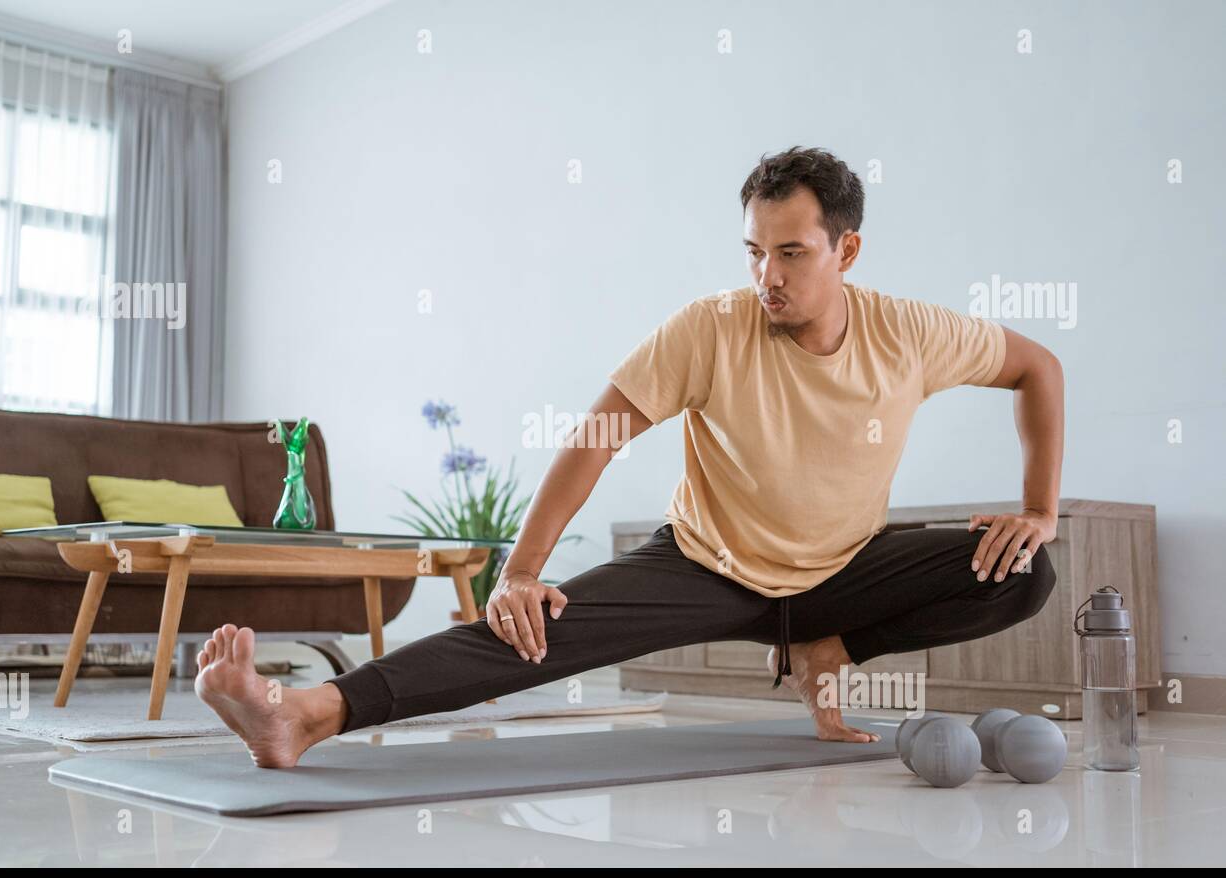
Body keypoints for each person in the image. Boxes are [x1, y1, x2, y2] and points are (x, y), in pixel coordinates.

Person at [196, 146, 1064, 768]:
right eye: (755, 252)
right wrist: (522, 570)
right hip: (706, 564)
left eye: (793, 253)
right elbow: (597, 436)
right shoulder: (711, 328)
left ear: (848, 250)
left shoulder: (910, 332)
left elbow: (1038, 368)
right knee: (531, 633)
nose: (770, 276)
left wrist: (1039, 507)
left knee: (1025, 572)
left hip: (843, 568)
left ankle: (826, 642)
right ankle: (308, 715)